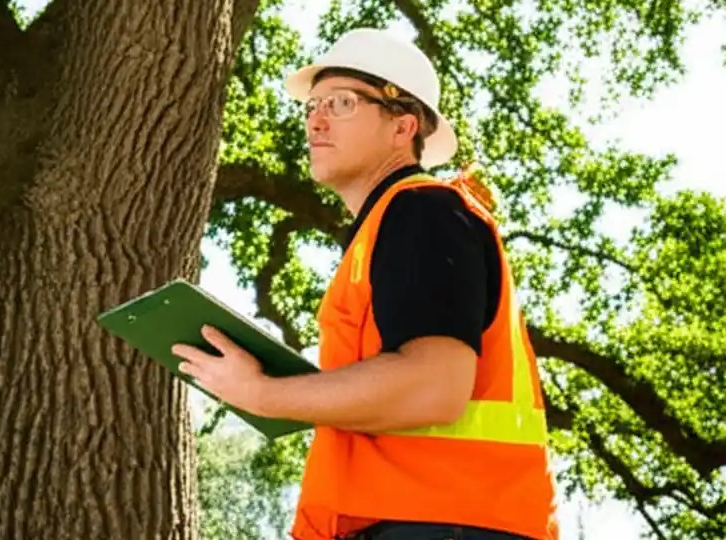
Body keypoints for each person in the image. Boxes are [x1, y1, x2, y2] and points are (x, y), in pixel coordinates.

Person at [172, 28, 558, 540]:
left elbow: (434, 388)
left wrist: (264, 393)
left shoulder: (421, 210)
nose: (316, 118)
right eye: (313, 105)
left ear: (404, 127)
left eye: (344, 102)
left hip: (441, 526)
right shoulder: (385, 230)